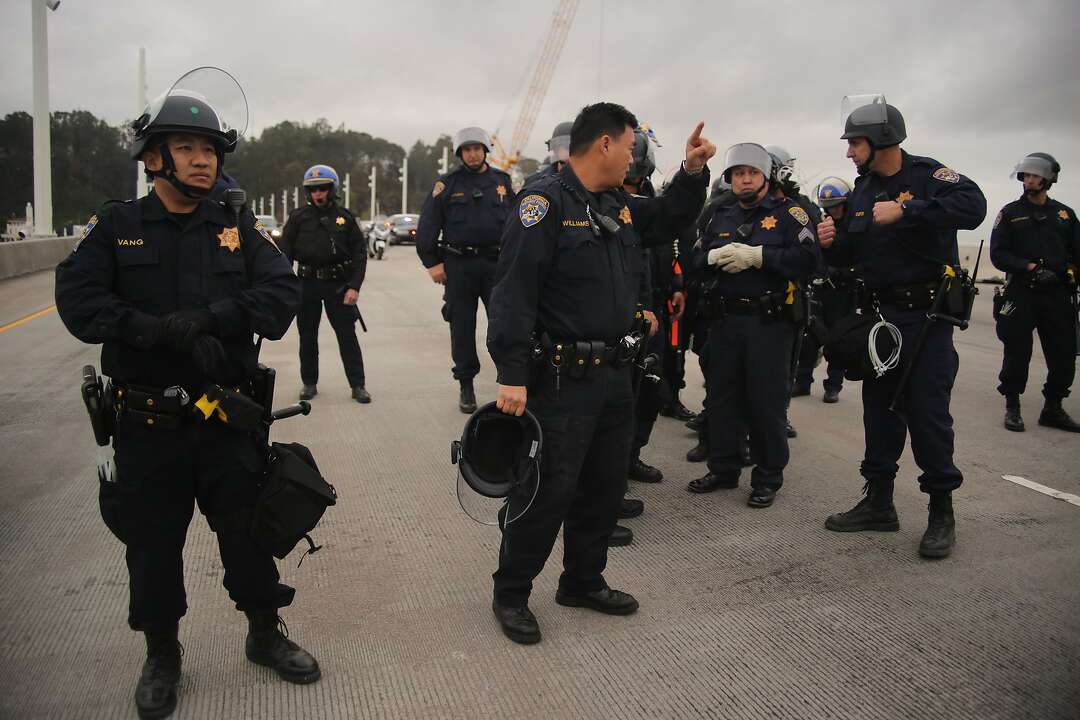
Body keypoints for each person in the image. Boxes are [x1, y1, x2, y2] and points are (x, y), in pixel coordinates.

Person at [54, 72, 318, 720]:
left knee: (248, 536)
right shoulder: (117, 227)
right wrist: (146, 330)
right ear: (153, 158)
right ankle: (163, 655)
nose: (204, 161)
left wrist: (216, 318)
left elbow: (283, 292)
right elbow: (78, 300)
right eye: (187, 148)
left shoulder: (234, 225)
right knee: (152, 547)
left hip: (225, 419)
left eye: (211, 150)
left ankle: (263, 633)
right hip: (148, 426)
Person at [486, 103, 713, 644]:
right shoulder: (543, 205)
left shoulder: (618, 204)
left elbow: (668, 220)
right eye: (630, 144)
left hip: (615, 373)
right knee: (545, 491)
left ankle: (582, 581)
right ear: (605, 144)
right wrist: (512, 373)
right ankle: (511, 593)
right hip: (561, 380)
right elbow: (512, 294)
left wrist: (692, 173)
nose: (633, 154)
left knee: (603, 487)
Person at [820, 96, 986, 559]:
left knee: (928, 413)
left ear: (882, 139)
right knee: (880, 409)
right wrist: (831, 245)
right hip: (881, 318)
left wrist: (908, 211)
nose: (850, 152)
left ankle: (941, 511)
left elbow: (973, 206)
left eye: (855, 143)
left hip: (926, 319)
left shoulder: (928, 175)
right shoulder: (863, 190)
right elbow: (851, 256)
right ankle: (879, 503)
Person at [687, 143, 819, 507]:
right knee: (722, 397)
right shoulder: (717, 215)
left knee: (766, 402)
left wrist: (761, 257)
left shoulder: (792, 213)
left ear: (766, 176)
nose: (745, 179)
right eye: (738, 173)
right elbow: (692, 259)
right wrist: (711, 257)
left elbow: (809, 260)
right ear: (730, 178)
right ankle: (724, 467)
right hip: (725, 319)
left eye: (753, 173)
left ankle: (768, 476)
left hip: (769, 324)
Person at [416, 127, 514, 413]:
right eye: (467, 149)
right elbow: (426, 228)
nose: (473, 154)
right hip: (458, 267)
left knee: (504, 323)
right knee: (462, 328)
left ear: (485, 150)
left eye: (477, 148)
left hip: (496, 265)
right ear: (460, 154)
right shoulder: (446, 185)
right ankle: (466, 384)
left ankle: (509, 380)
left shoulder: (502, 182)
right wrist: (432, 263)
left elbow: (515, 225)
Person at [990, 152, 1080, 432]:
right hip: (1022, 292)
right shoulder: (1010, 214)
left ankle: (1053, 407)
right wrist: (1027, 266)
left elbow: (1077, 253)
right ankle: (1012, 406)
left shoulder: (1064, 215)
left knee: (1064, 353)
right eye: (1026, 175)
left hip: (1057, 294)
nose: (1030, 181)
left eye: (1035, 176)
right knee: (1017, 351)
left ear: (1048, 178)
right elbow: (998, 254)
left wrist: (1069, 273)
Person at [281, 164, 370, 403]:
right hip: (306, 284)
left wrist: (354, 286)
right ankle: (309, 383)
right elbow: (284, 254)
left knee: (347, 336)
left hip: (338, 286)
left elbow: (360, 254)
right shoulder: (298, 218)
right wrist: (284, 286)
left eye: (322, 188)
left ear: (332, 189)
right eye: (313, 190)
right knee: (307, 336)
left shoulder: (346, 218)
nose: (318, 193)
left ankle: (358, 385)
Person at [792, 176, 856, 402]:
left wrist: (845, 273)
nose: (834, 211)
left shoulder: (856, 228)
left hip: (845, 291)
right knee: (809, 336)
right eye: (829, 207)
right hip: (820, 288)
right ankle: (802, 381)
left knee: (838, 339)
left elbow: (864, 258)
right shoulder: (819, 225)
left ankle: (833, 385)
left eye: (838, 206)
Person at [524, 121, 573, 186]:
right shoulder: (534, 182)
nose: (574, 152)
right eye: (567, 147)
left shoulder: (589, 181)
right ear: (556, 149)